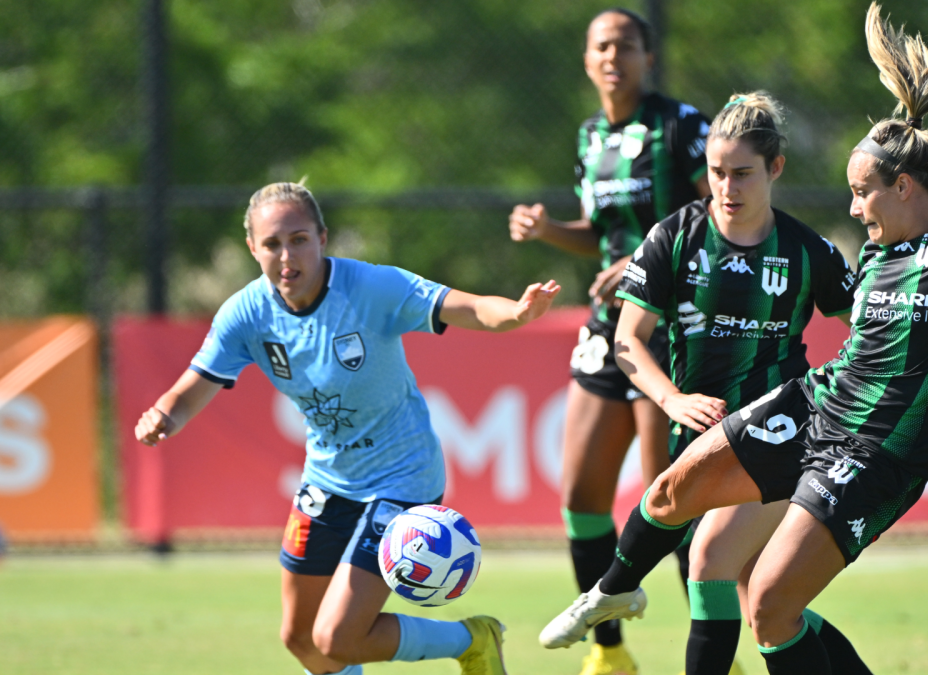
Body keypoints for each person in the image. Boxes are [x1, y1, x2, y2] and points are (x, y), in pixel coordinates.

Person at [538, 5, 928, 674]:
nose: (853, 208)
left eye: (862, 193)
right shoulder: (869, 254)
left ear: (900, 187)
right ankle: (610, 594)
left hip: (878, 448)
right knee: (666, 496)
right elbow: (882, 345)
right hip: (814, 404)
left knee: (767, 602)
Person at [134, 182, 561, 675]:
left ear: (322, 238)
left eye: (298, 239)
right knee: (301, 637)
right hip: (327, 481)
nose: (286, 254)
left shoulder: (370, 289)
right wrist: (165, 414)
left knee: (335, 636)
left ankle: (471, 638)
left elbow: (464, 306)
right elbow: (191, 388)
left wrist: (515, 312)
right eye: (272, 244)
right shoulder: (247, 314)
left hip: (403, 477)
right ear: (253, 249)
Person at [604, 90, 872, 674]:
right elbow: (626, 340)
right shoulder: (675, 235)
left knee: (710, 562)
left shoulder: (808, 250)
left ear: (775, 169)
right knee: (765, 604)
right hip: (704, 439)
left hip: (784, 441)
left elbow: (875, 339)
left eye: (743, 174)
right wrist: (670, 398)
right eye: (716, 173)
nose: (727, 188)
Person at [508, 8, 710, 674]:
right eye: (601, 46)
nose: (613, 55)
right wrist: (547, 230)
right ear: (587, 59)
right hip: (606, 329)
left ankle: (720, 653)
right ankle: (608, 651)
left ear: (648, 57)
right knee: (581, 497)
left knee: (667, 498)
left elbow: (726, 209)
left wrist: (649, 259)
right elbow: (600, 231)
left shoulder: (681, 127)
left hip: (668, 329)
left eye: (626, 44)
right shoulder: (591, 135)